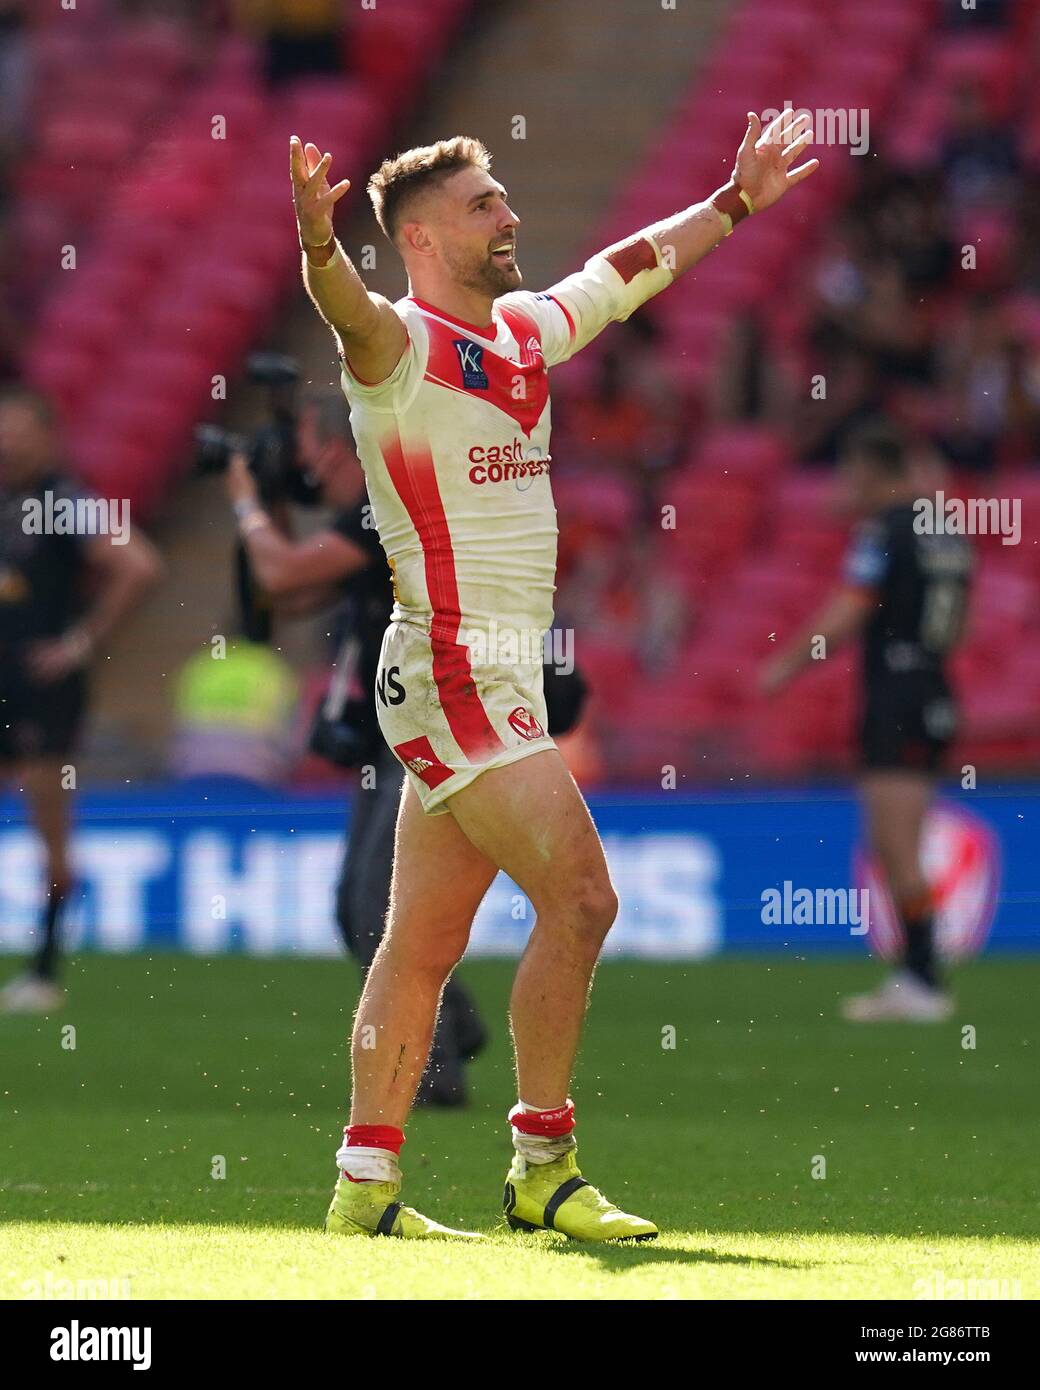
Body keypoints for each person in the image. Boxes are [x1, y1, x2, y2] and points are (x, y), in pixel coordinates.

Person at [290, 110, 819, 1241]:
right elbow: (342, 309)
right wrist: (316, 246)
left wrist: (729, 203)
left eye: (505, 198)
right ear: (422, 238)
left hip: (492, 676)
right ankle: (542, 1163)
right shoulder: (396, 345)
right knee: (582, 897)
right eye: (485, 203)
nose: (509, 215)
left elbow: (624, 272)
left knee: (420, 946)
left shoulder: (524, 332)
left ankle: (364, 1188)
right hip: (449, 666)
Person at [225, 389, 488, 1103]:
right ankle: (456, 1023)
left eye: (303, 446)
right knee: (354, 906)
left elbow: (281, 575)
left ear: (334, 448)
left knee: (377, 904)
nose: (299, 461)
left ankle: (436, 1074)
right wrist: (271, 506)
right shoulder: (377, 507)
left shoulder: (386, 505)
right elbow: (275, 604)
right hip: (391, 732)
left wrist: (248, 502)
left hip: (431, 728)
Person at [760, 423, 973, 1023]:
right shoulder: (946, 532)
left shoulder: (884, 530)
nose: (845, 486)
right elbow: (963, 621)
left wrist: (786, 665)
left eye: (852, 472)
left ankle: (923, 980)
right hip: (932, 688)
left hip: (897, 698)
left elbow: (852, 606)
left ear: (874, 472)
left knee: (894, 845)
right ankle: (918, 975)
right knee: (896, 843)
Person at [0, 385, 161, 1012]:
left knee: (48, 827)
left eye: (18, 432)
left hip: (41, 690)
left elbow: (138, 565)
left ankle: (44, 970)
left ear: (48, 437)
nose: (8, 444)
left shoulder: (64, 500)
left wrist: (77, 644)